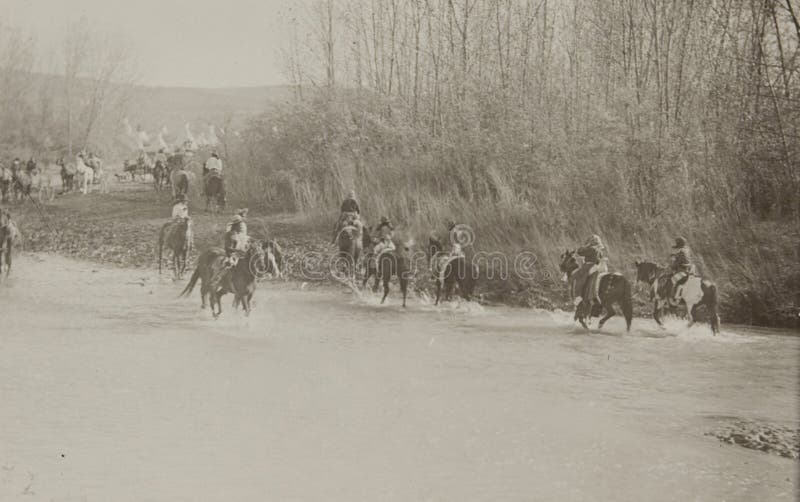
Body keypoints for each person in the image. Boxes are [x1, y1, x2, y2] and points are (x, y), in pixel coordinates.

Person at [571, 234, 607, 306]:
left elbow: (580, 252)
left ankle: (578, 296)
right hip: (596, 266)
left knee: (579, 278)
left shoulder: (591, 248)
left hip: (589, 265)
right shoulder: (599, 249)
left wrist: (585, 246)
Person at [662, 236, 695, 301]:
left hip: (682, 270)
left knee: (671, 281)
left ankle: (670, 298)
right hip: (688, 269)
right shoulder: (686, 250)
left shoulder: (681, 252)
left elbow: (677, 263)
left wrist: (671, 266)